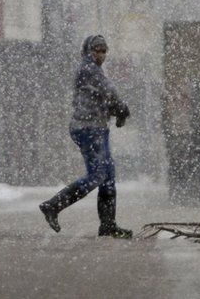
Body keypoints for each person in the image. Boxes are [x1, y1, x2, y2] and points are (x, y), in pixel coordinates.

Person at [39, 35, 133, 238]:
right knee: (98, 175)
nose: (101, 55)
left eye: (104, 51)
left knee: (108, 177)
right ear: (88, 51)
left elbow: (104, 98)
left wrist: (118, 111)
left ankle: (108, 225)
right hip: (88, 129)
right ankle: (53, 205)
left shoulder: (94, 70)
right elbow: (109, 92)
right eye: (96, 50)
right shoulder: (88, 69)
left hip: (98, 127)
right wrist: (122, 109)